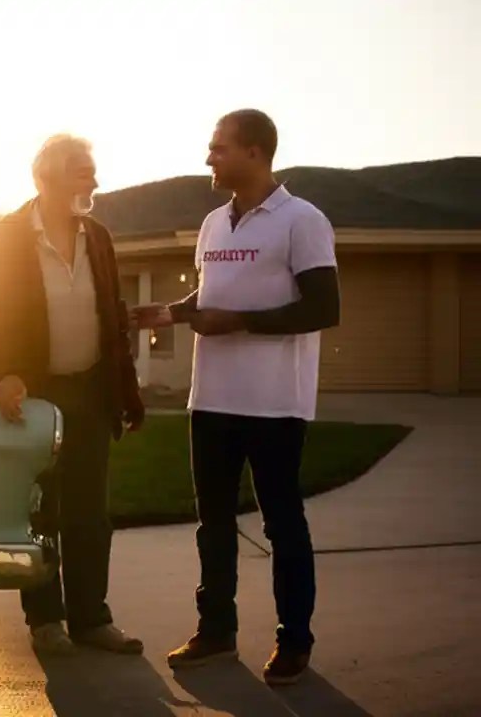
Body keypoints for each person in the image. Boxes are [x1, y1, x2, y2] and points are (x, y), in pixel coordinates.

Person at [133, 109, 340, 685]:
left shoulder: (303, 221)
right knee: (214, 523)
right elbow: (215, 290)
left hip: (275, 404)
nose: (208, 158)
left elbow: (324, 308)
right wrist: (172, 312)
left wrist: (237, 323)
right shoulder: (213, 224)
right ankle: (216, 631)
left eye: (219, 148)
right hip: (212, 400)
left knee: (282, 524)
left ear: (255, 151)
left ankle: (294, 641)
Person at [0, 133, 145, 656]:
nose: (93, 181)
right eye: (82, 171)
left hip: (90, 390)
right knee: (39, 510)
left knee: (91, 513)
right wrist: (3, 374)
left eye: (91, 171)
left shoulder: (99, 237)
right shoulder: (9, 237)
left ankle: (93, 620)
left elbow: (112, 318)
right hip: (38, 396)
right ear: (47, 178)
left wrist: (126, 392)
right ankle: (45, 621)